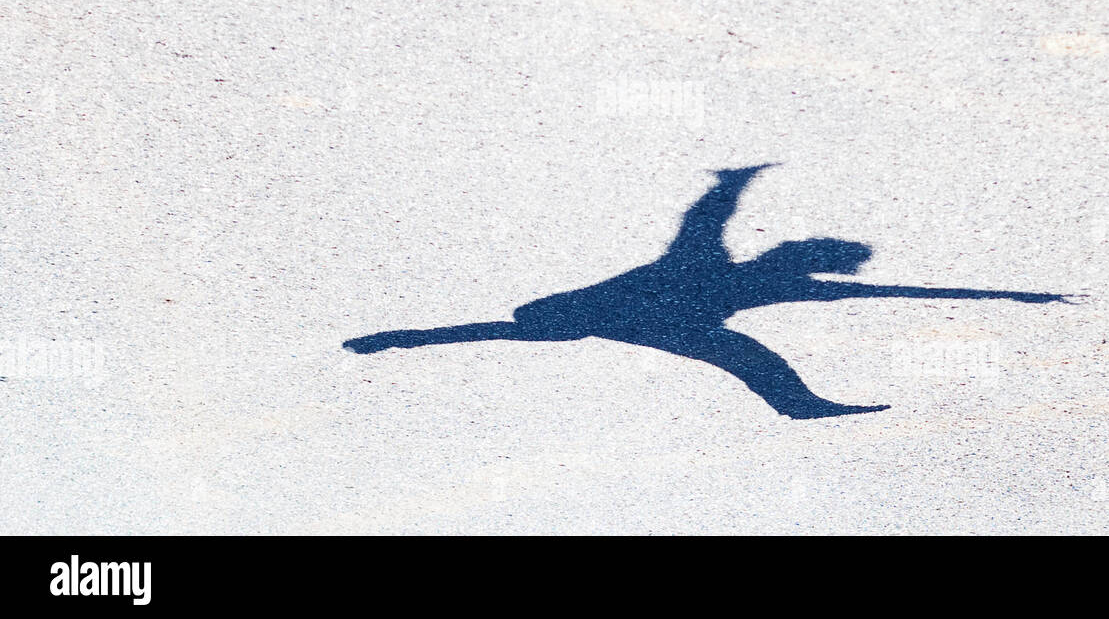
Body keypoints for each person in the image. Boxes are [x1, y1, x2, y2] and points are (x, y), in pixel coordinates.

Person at [345, 165, 1070, 419]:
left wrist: (1014, 299)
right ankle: (798, 406)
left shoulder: (755, 274)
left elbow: (892, 291)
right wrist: (1015, 300)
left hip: (626, 316)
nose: (828, 271)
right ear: (800, 257)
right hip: (627, 316)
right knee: (739, 348)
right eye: (824, 259)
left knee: (736, 348)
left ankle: (797, 405)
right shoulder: (749, 276)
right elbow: (890, 292)